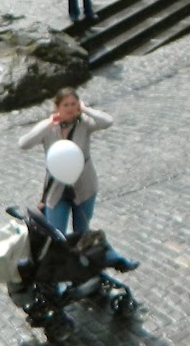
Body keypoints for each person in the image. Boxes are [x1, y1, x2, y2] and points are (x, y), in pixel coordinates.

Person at [16, 89, 136, 270]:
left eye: (74, 104)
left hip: (84, 188)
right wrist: (48, 123)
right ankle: (60, 276)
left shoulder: (84, 124)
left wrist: (87, 110)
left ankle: (91, 271)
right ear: (57, 107)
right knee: (57, 238)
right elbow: (23, 144)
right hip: (57, 192)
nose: (70, 109)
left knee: (84, 235)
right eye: (66, 105)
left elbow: (108, 121)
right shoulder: (49, 128)